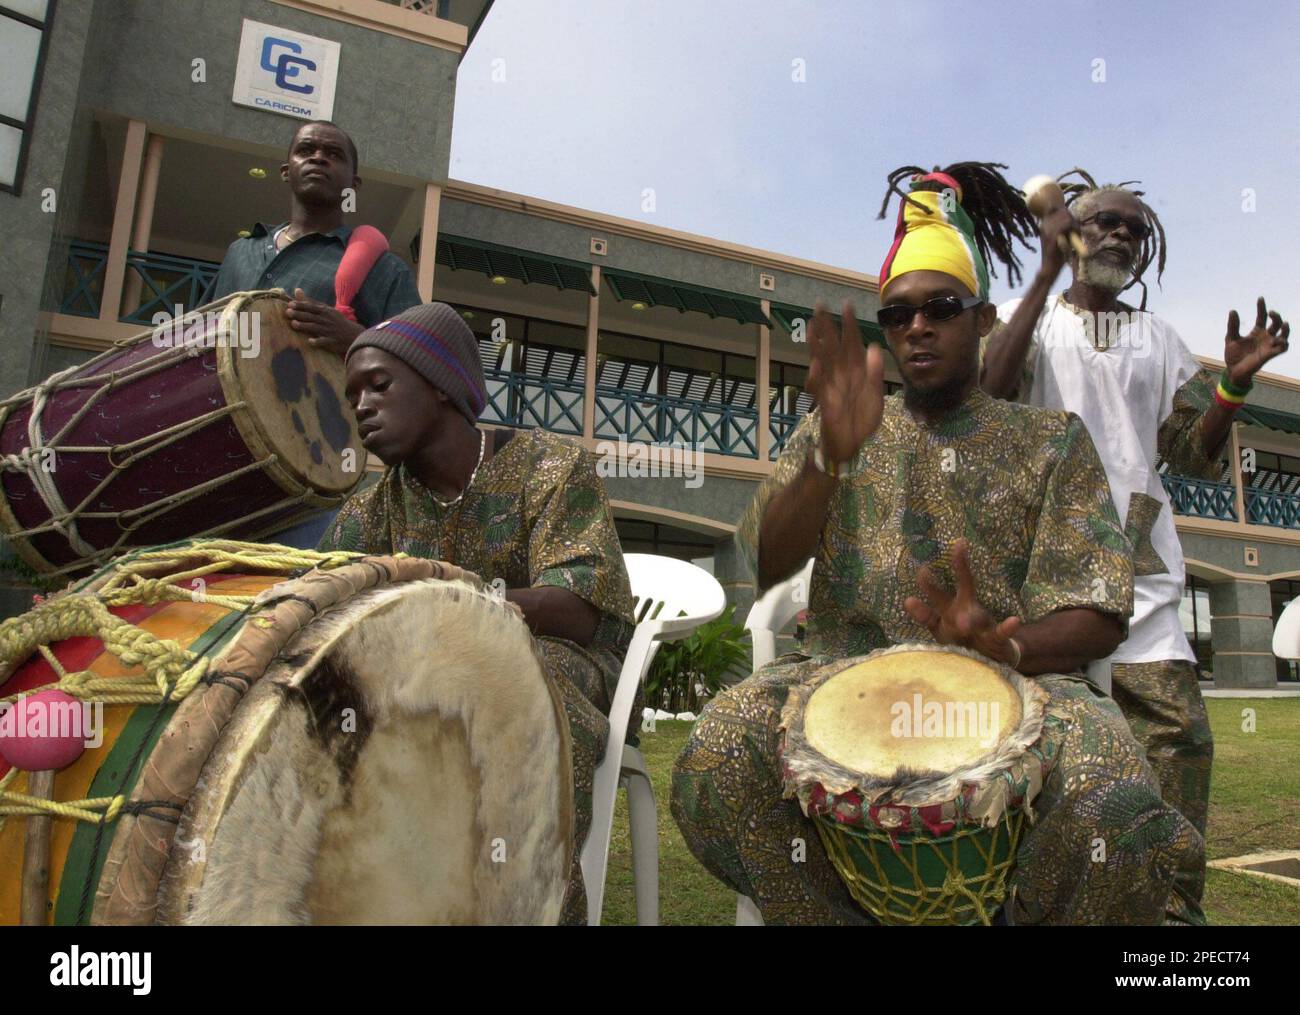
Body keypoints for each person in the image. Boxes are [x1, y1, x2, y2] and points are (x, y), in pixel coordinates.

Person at [670, 162, 1205, 925]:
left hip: (1018, 691)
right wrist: (828, 458)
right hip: (836, 681)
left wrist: (1007, 648)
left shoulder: (1049, 440)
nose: (917, 325)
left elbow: (1097, 614)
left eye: (941, 307)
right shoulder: (844, 420)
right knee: (719, 749)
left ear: (983, 320)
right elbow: (766, 560)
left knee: (1114, 790)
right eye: (897, 315)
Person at [981, 169, 1290, 898]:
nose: (1122, 234)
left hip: (1141, 575)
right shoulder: (1029, 320)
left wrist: (1232, 387)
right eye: (1105, 221)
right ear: (1069, 231)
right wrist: (1044, 274)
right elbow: (987, 394)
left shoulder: (1160, 339)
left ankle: (1168, 917)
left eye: (1135, 228)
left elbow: (1190, 453)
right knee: (1037, 761)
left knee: (1179, 746)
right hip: (1045, 579)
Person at [316, 301, 637, 924]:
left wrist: (445, 610)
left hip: (561, 669)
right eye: (352, 393)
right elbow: (326, 606)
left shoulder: (549, 466)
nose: (360, 406)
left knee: (501, 687)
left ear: (440, 384)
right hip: (419, 678)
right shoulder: (368, 512)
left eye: (379, 385)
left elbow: (577, 609)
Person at [207, 120, 421, 355]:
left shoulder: (386, 270)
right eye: (305, 151)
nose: (318, 158)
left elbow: (419, 359)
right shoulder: (240, 251)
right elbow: (193, 337)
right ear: (286, 171)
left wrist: (357, 340)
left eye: (334, 154)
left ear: (354, 184)